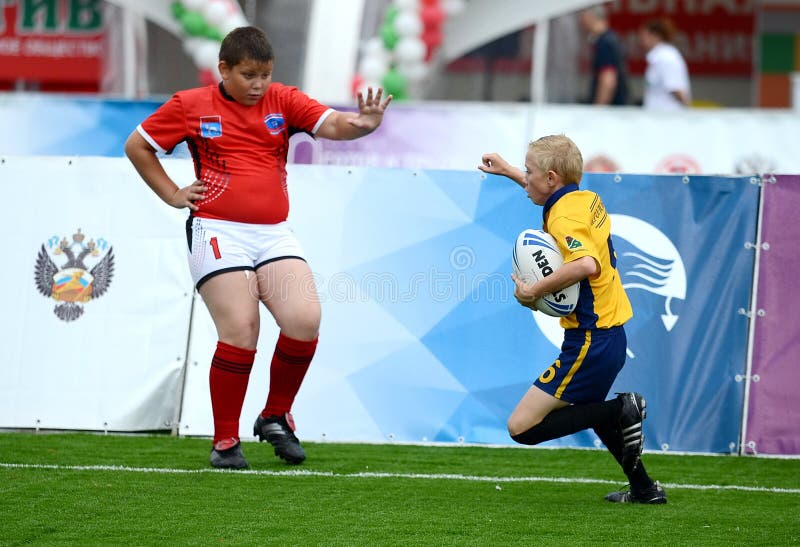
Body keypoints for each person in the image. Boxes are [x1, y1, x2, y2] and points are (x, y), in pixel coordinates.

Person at [125, 26, 392, 470]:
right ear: (223, 69)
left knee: (305, 319)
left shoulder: (283, 100)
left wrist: (363, 124)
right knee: (241, 331)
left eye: (265, 75)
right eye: (249, 75)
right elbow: (138, 146)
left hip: (272, 231)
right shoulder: (189, 105)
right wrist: (173, 193)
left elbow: (335, 124)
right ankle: (225, 442)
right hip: (216, 229)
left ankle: (274, 415)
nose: (258, 84)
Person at [478, 135, 666, 504]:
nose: (526, 179)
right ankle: (643, 487)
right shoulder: (584, 200)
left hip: (591, 341)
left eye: (529, 172)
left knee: (522, 427)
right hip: (609, 337)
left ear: (550, 178)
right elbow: (554, 196)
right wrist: (510, 172)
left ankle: (622, 408)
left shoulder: (563, 215)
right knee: (590, 414)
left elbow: (586, 264)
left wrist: (534, 292)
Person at [578, 5, 629, 106]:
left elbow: (608, 79)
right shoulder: (611, 39)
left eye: (582, 18)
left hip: (611, 111)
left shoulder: (604, 43)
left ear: (591, 17)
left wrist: (598, 110)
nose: (580, 22)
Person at [638, 18, 691, 110]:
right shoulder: (658, 57)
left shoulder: (666, 57)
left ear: (655, 36)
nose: (641, 40)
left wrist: (688, 114)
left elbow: (677, 89)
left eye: (644, 36)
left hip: (668, 119)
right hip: (659, 118)